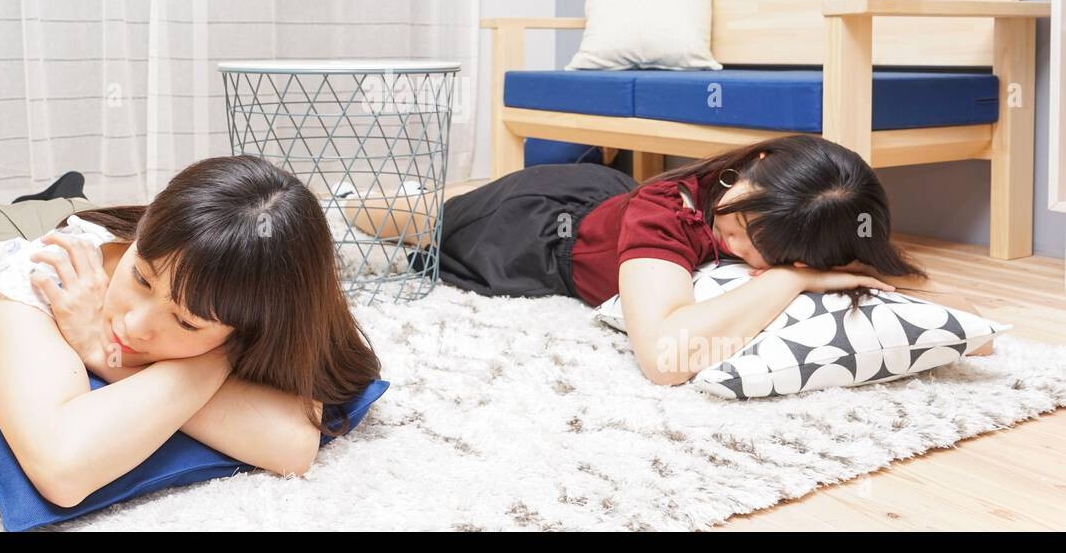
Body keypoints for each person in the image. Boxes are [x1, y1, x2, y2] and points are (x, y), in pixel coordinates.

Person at [0, 155, 382, 508]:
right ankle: (47, 202)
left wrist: (106, 355)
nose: (132, 322)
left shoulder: (261, 309)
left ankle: (72, 205)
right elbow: (62, 468)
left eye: (186, 321)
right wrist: (184, 348)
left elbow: (293, 446)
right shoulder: (35, 280)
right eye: (141, 277)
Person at [360, 134, 993, 386]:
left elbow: (971, 325)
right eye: (744, 234)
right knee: (400, 218)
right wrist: (791, 283)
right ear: (758, 168)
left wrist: (828, 268)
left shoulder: (815, 224)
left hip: (602, 200)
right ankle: (330, 197)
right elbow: (665, 358)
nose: (743, 256)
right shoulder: (673, 208)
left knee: (422, 207)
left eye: (769, 254)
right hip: (529, 230)